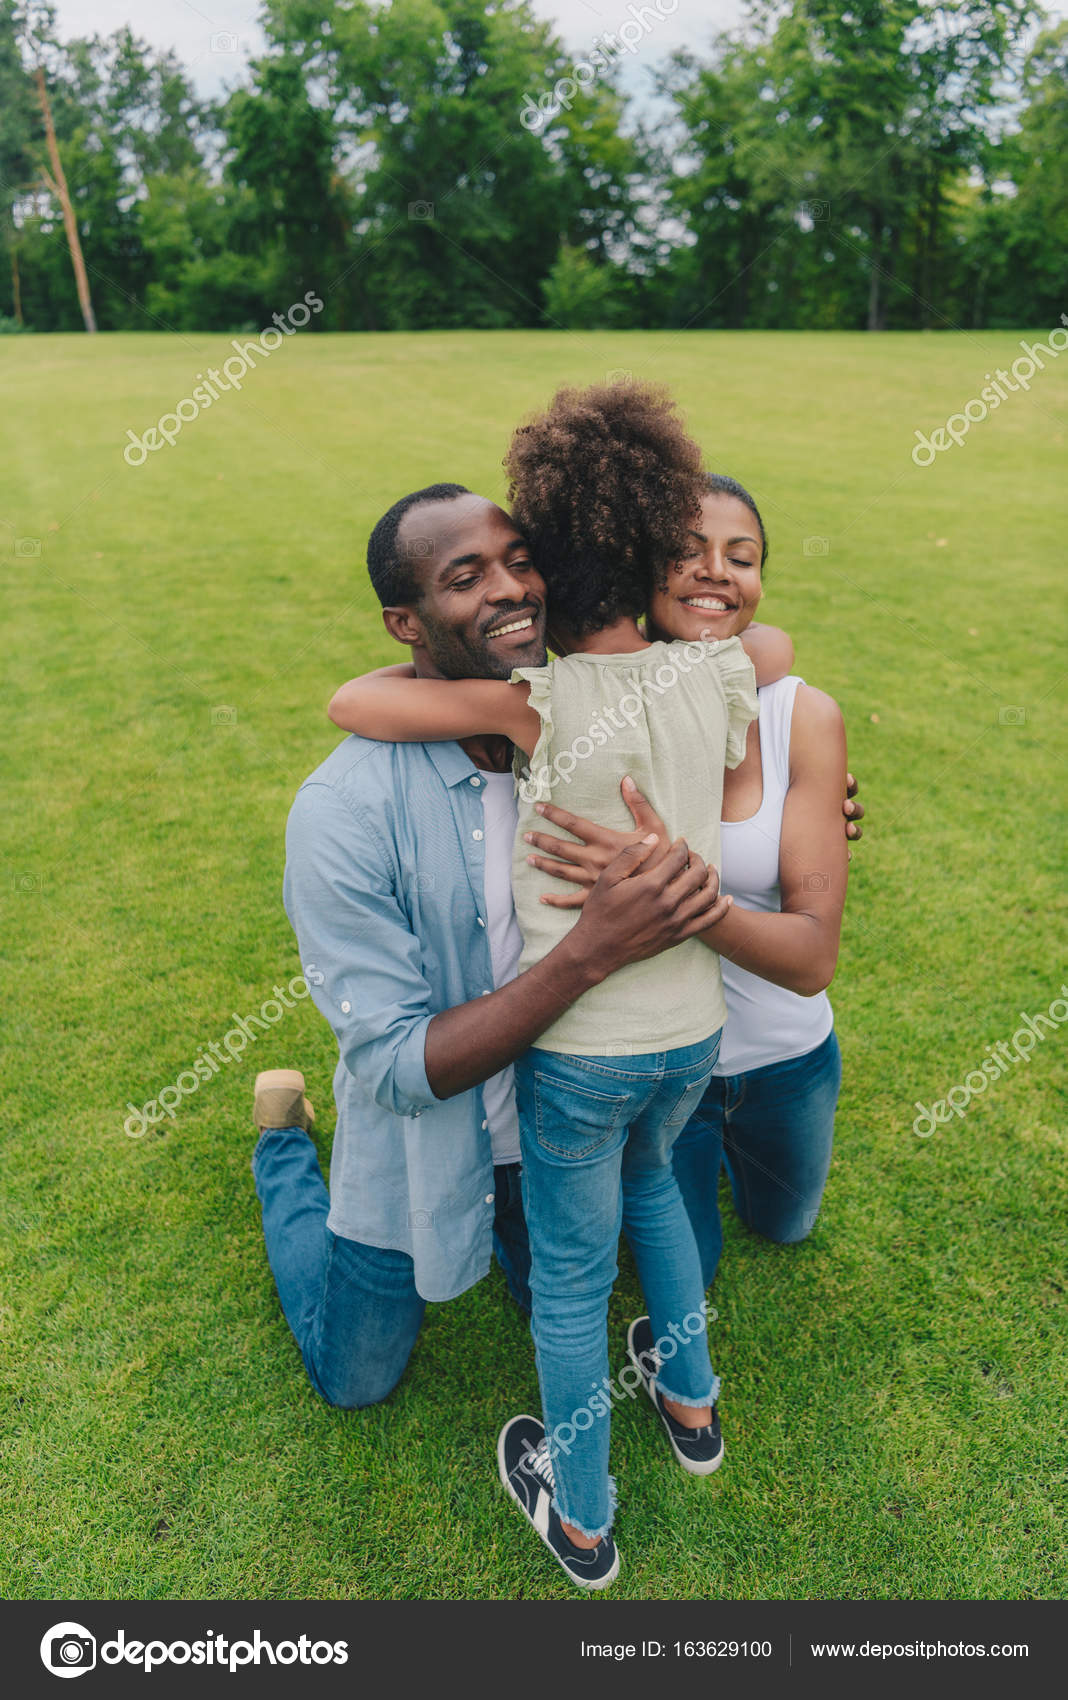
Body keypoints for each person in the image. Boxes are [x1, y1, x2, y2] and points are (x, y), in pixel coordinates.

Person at [326, 382, 793, 1590]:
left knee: (576, 1284)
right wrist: (697, 631)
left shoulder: (542, 701)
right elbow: (774, 648)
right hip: (694, 1030)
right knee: (659, 1199)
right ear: (647, 560)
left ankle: (580, 1513)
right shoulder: (715, 670)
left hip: (583, 1052)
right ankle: (691, 1403)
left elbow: (358, 700)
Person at [253, 483, 739, 1459]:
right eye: (465, 576)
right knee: (357, 1375)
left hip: (568, 1114)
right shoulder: (343, 806)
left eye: (521, 560)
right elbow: (394, 1066)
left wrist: (819, 795)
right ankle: (278, 1145)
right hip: (428, 1133)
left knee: (589, 1285)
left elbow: (740, 689)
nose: (513, 589)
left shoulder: (583, 716)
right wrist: (591, 950)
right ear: (406, 620)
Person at [518, 470, 853, 1291]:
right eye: (686, 551)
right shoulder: (581, 708)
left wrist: (673, 890)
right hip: (667, 1064)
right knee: (686, 1269)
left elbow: (811, 962)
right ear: (633, 568)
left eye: (742, 558)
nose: (716, 571)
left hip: (783, 1057)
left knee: (785, 1225)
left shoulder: (797, 717)